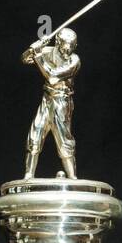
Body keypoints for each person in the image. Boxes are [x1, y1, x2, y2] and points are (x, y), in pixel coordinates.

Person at [21, 28, 80, 179]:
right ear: (58, 42)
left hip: (62, 103)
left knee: (64, 140)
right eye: (65, 45)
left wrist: (38, 55)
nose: (68, 49)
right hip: (47, 100)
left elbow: (52, 77)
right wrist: (33, 48)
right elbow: (25, 59)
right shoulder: (49, 51)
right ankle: (28, 175)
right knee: (35, 135)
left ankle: (73, 177)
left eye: (72, 45)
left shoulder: (74, 61)